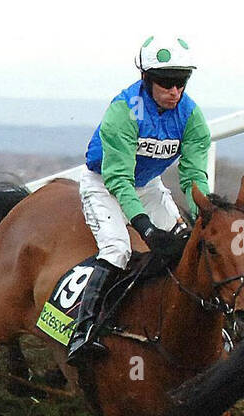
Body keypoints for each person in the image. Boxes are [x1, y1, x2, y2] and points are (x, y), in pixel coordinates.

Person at [66, 37, 211, 366]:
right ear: (146, 78)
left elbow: (192, 177)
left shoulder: (191, 116)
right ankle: (83, 331)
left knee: (184, 245)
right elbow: (118, 178)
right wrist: (143, 226)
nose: (175, 91)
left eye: (181, 81)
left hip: (146, 185)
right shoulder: (123, 110)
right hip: (104, 183)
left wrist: (206, 210)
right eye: (166, 82)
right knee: (118, 248)